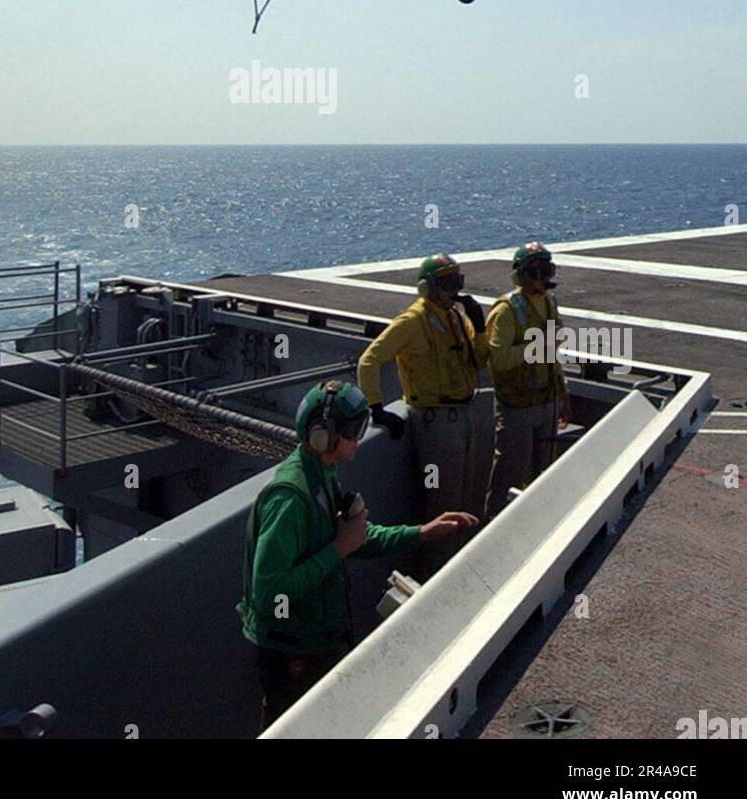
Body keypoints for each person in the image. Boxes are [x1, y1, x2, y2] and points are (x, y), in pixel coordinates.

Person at [238, 379, 477, 730]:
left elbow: (356, 538)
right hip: (292, 654)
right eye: (352, 431)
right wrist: (338, 550)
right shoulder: (289, 498)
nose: (359, 438)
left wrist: (421, 533)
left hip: (317, 641)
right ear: (323, 437)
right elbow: (270, 590)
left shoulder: (321, 475)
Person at [357, 254, 489, 526]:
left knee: (466, 498)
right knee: (442, 505)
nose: (455, 290)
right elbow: (368, 360)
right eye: (447, 283)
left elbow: (478, 361)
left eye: (457, 282)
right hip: (435, 423)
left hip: (463, 415)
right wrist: (376, 408)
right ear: (427, 288)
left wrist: (479, 328)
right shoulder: (412, 321)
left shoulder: (455, 318)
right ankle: (438, 562)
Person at [484, 241, 571, 518]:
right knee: (510, 472)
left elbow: (551, 355)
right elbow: (499, 359)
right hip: (517, 407)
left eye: (546, 270)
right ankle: (492, 523)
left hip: (547, 401)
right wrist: (538, 345)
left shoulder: (548, 303)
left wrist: (563, 393)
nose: (543, 279)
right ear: (521, 276)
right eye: (536, 272)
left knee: (543, 471)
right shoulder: (507, 311)